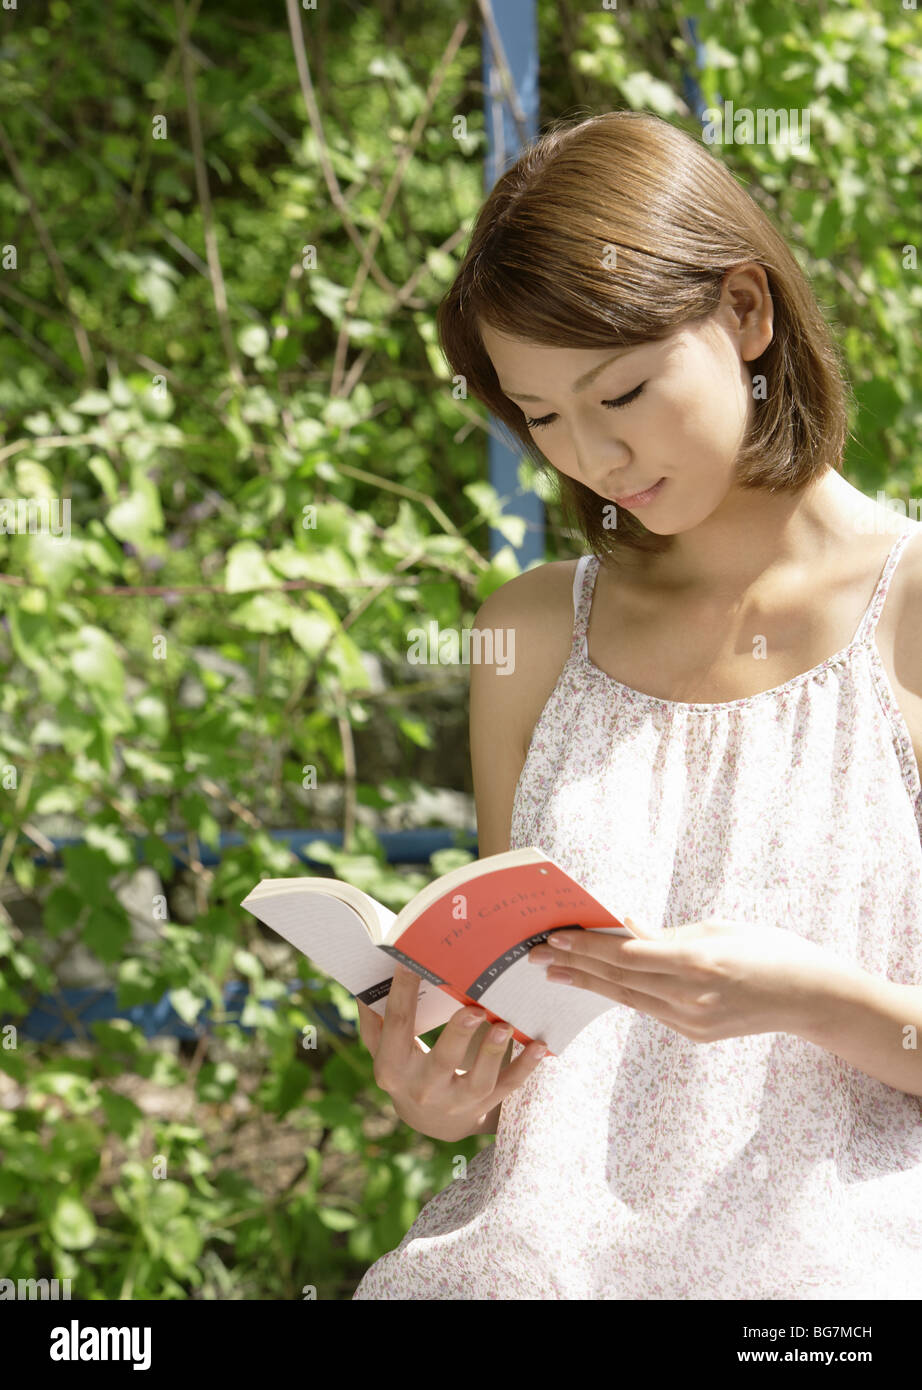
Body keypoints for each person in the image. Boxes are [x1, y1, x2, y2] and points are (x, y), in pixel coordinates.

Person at [351, 110, 922, 1299]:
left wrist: (809, 1000)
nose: (593, 457)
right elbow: (515, 1002)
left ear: (746, 313)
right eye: (544, 417)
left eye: (621, 390)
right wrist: (440, 1090)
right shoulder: (525, 630)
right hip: (528, 1269)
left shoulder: (907, 608)